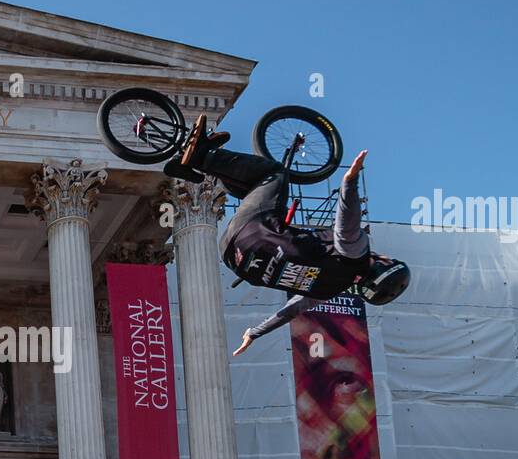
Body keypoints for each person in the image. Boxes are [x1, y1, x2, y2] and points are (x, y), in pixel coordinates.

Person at [167, 120, 411, 350]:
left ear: (383, 265)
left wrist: (350, 181)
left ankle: (203, 156)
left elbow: (347, 222)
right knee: (254, 190)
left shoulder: (356, 253)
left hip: (253, 228)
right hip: (232, 255)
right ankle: (202, 169)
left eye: (388, 259)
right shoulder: (327, 291)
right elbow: (291, 310)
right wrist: (255, 333)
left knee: (274, 174)